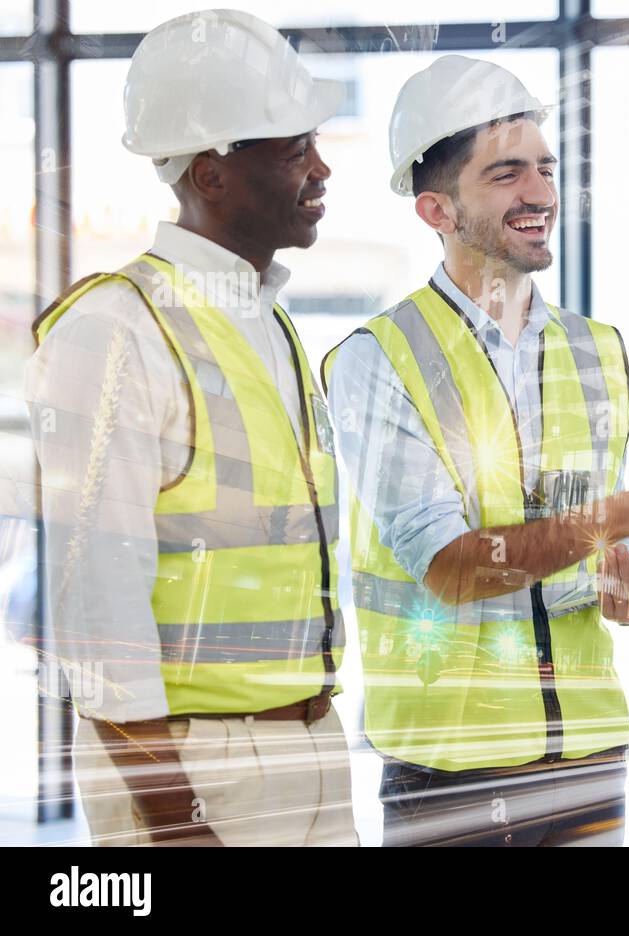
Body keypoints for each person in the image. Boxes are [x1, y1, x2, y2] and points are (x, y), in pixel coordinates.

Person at [324, 55, 629, 847]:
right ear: (436, 210)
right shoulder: (378, 359)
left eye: (546, 169)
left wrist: (626, 588)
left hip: (586, 755)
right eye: (507, 174)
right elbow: (453, 567)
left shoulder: (599, 351)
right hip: (450, 765)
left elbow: (582, 548)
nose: (541, 194)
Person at [26, 10, 357, 845]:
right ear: (212, 175)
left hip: (307, 746)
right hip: (197, 771)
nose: (321, 170)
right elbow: (97, 611)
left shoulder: (266, 322)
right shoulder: (117, 330)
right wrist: (179, 825)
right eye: (293, 151)